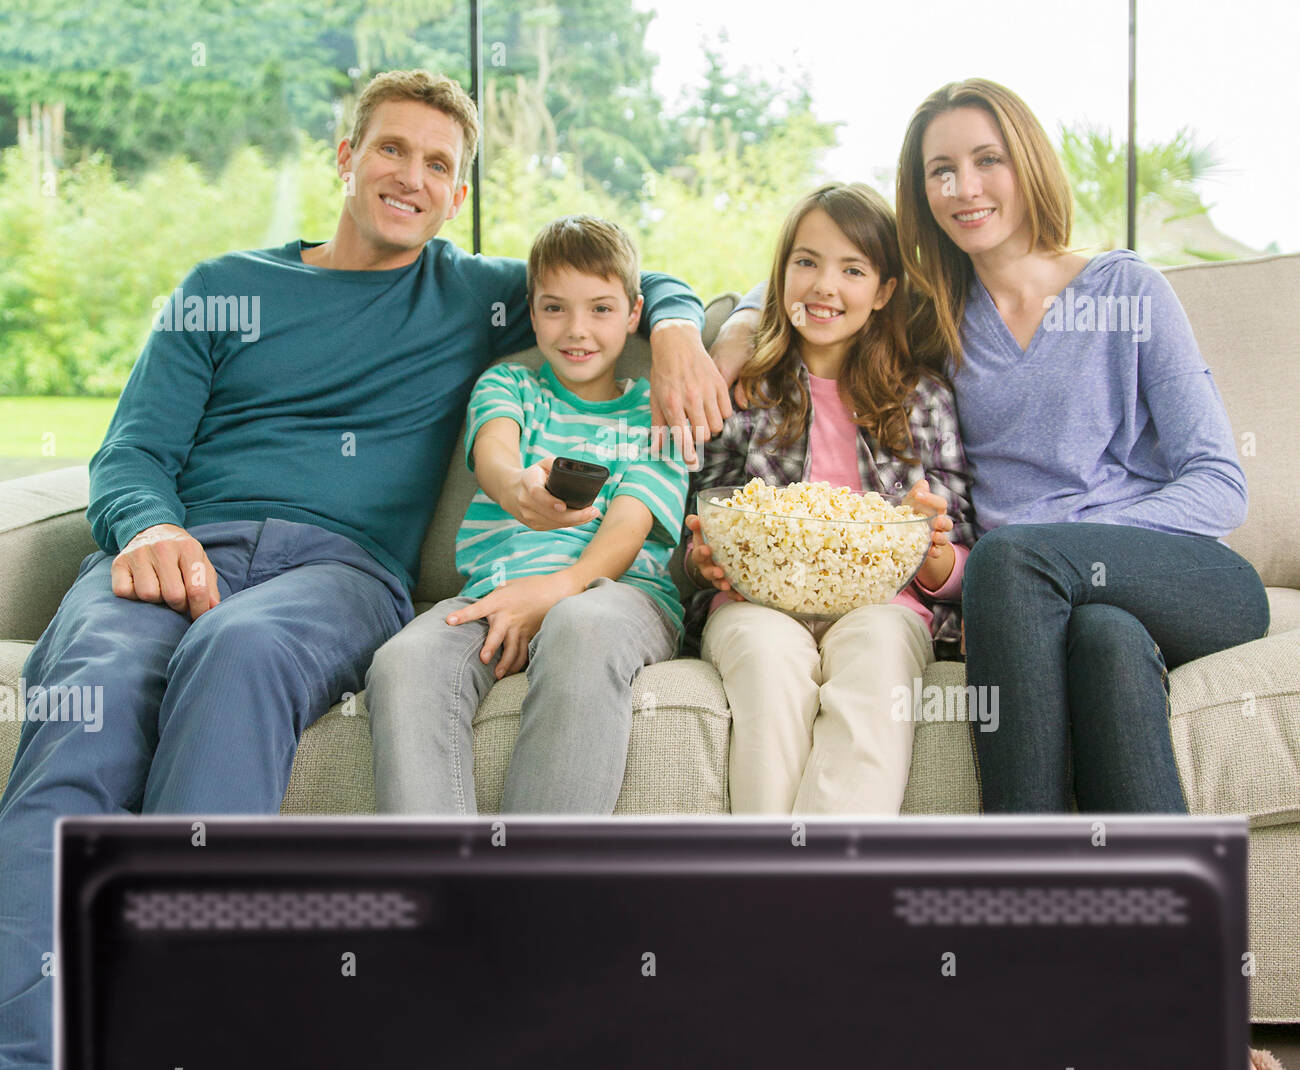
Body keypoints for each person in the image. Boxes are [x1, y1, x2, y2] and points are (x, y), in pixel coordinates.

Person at [0, 70, 730, 1070]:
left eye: (439, 165)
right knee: (87, 713)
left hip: (335, 568)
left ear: (456, 194)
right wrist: (153, 526)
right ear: (346, 157)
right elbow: (129, 454)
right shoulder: (224, 286)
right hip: (175, 548)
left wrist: (683, 325)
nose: (412, 176)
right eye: (392, 149)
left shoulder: (476, 296)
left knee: (239, 652)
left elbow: (614, 282)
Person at [715, 80, 1269, 815]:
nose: (963, 187)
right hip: (1046, 604)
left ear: (1029, 164)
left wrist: (1053, 555)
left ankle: (1017, 867)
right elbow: (824, 275)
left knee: (1009, 557)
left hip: (1185, 579)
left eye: (987, 160)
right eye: (940, 170)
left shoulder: (1128, 288)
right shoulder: (938, 315)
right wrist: (735, 326)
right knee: (1105, 648)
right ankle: (1158, 917)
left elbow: (1219, 484)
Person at [366, 216, 689, 813]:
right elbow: (495, 452)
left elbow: (630, 521)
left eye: (600, 308)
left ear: (633, 313)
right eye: (554, 308)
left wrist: (558, 590)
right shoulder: (509, 383)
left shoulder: (656, 408)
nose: (577, 330)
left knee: (580, 625)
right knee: (402, 663)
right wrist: (517, 487)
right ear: (531, 311)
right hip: (495, 592)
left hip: (616, 593)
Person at [682, 183, 973, 814]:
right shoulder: (744, 390)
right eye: (806, 262)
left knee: (876, 658)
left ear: (884, 291)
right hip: (758, 602)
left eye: (853, 269)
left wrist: (936, 556)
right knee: (766, 662)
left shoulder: (922, 398)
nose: (824, 287)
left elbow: (960, 553)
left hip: (887, 604)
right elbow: (701, 526)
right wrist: (703, 560)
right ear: (781, 272)